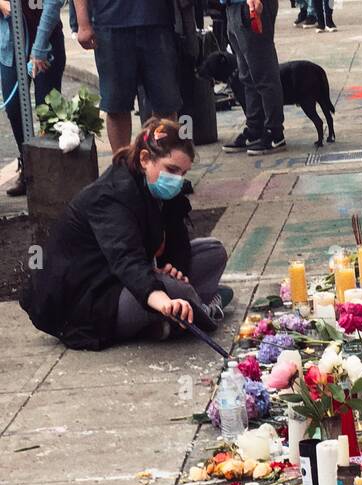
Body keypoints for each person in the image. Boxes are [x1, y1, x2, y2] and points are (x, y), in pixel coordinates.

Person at [20, 116, 232, 350]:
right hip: (88, 297)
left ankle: (176, 315)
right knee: (175, 291)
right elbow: (126, 260)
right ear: (144, 159)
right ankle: (199, 309)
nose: (177, 180)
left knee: (214, 252)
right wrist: (162, 300)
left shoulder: (160, 187)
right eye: (172, 169)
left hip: (130, 276)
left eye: (183, 173)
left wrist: (174, 265)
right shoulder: (110, 196)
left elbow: (178, 238)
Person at [73, 0, 181, 154]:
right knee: (116, 106)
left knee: (166, 104)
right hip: (110, 23)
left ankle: (163, 165)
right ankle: (123, 170)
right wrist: (83, 23)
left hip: (157, 22)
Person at [0, 0, 66, 196]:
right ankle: (28, 166)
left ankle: (50, 171)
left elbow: (53, 4)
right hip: (10, 46)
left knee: (48, 109)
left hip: (47, 42)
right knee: (14, 108)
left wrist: (39, 48)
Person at [221, 0, 286, 153]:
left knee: (263, 73)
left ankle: (274, 132)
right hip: (233, 7)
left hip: (249, 5)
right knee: (247, 75)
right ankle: (255, 128)